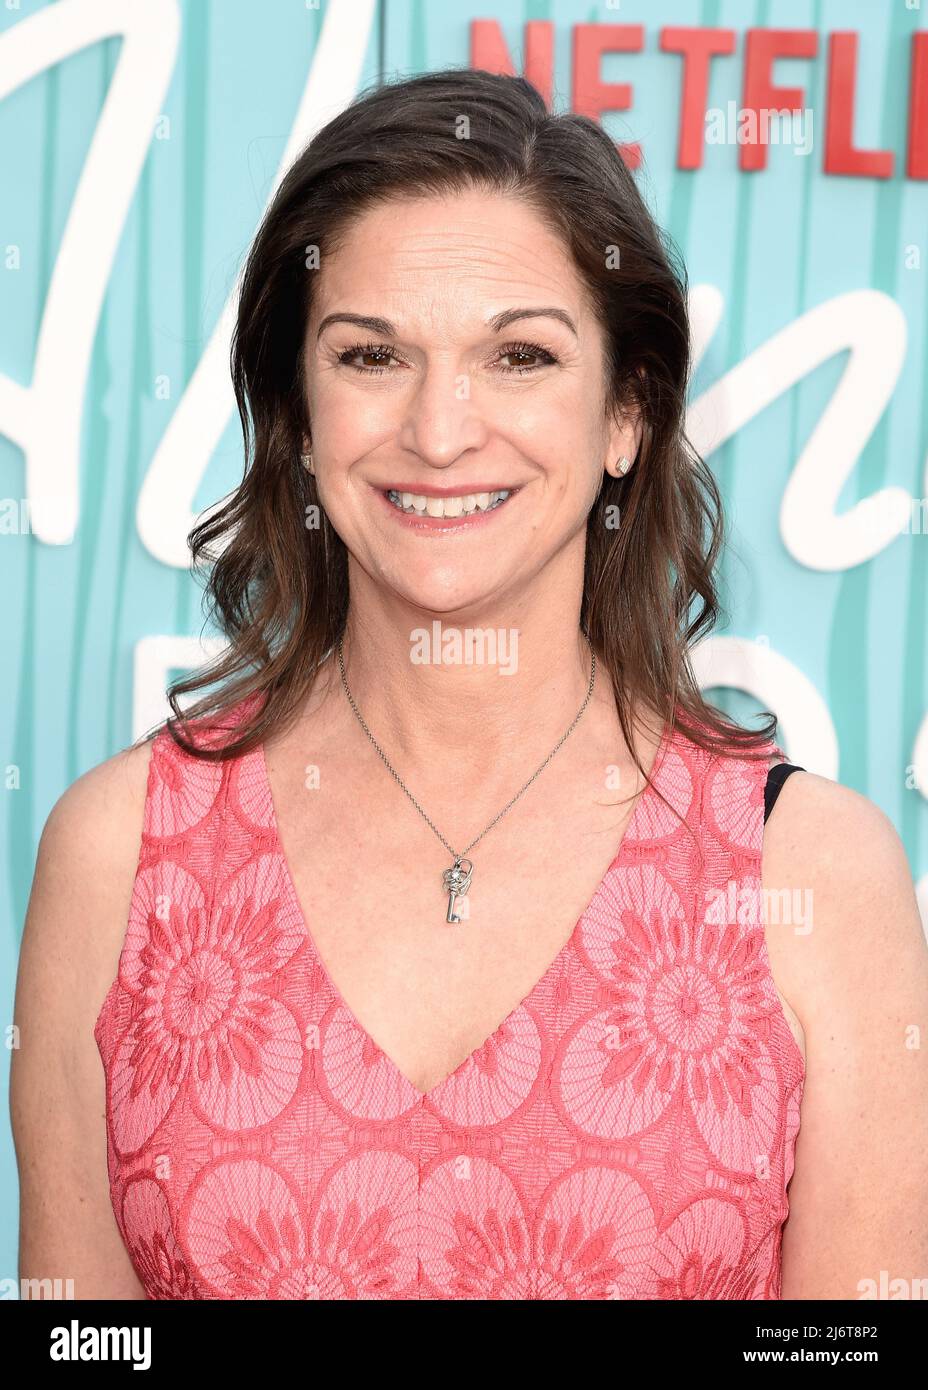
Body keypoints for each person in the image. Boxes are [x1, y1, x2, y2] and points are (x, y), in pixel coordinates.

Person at [11, 67, 928, 1301]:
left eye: (519, 356)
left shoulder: (812, 874)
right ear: (295, 410)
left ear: (627, 416)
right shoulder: (117, 854)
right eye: (373, 353)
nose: (440, 431)